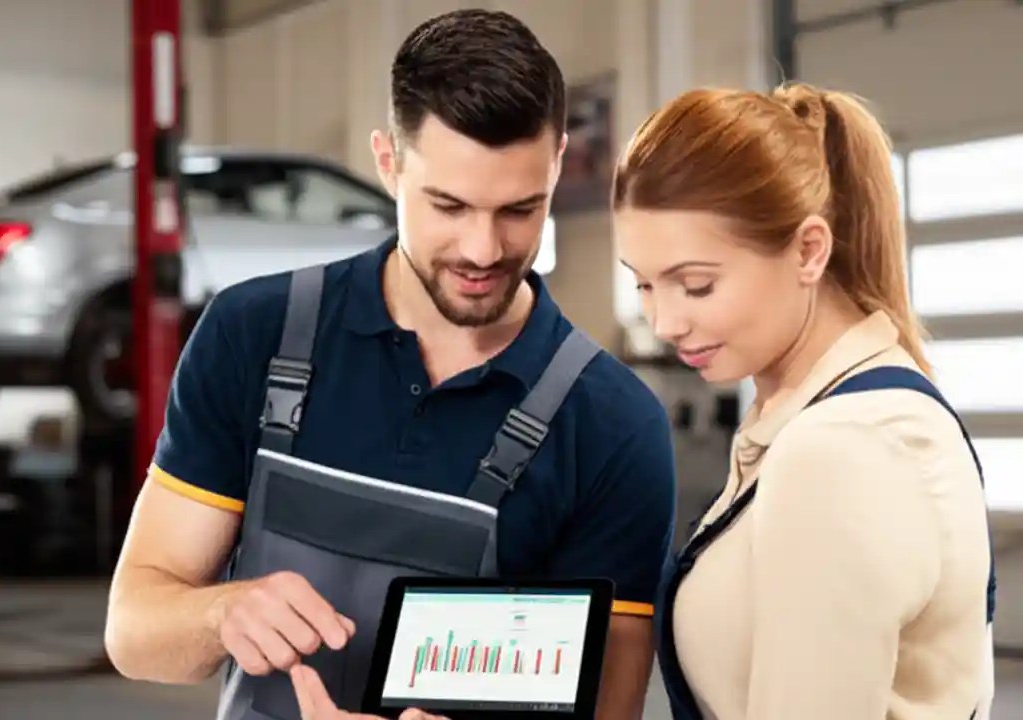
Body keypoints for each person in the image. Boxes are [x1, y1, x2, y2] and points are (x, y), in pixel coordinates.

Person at [104, 8, 677, 720]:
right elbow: (134, 633)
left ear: (558, 162)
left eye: (518, 210)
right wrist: (221, 614)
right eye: (448, 206)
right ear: (388, 163)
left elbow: (609, 710)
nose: (482, 249)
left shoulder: (614, 426)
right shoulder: (253, 336)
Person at [611, 81, 997, 719]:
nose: (664, 323)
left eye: (696, 285)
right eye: (645, 286)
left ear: (809, 251)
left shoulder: (840, 447)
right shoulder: (827, 415)